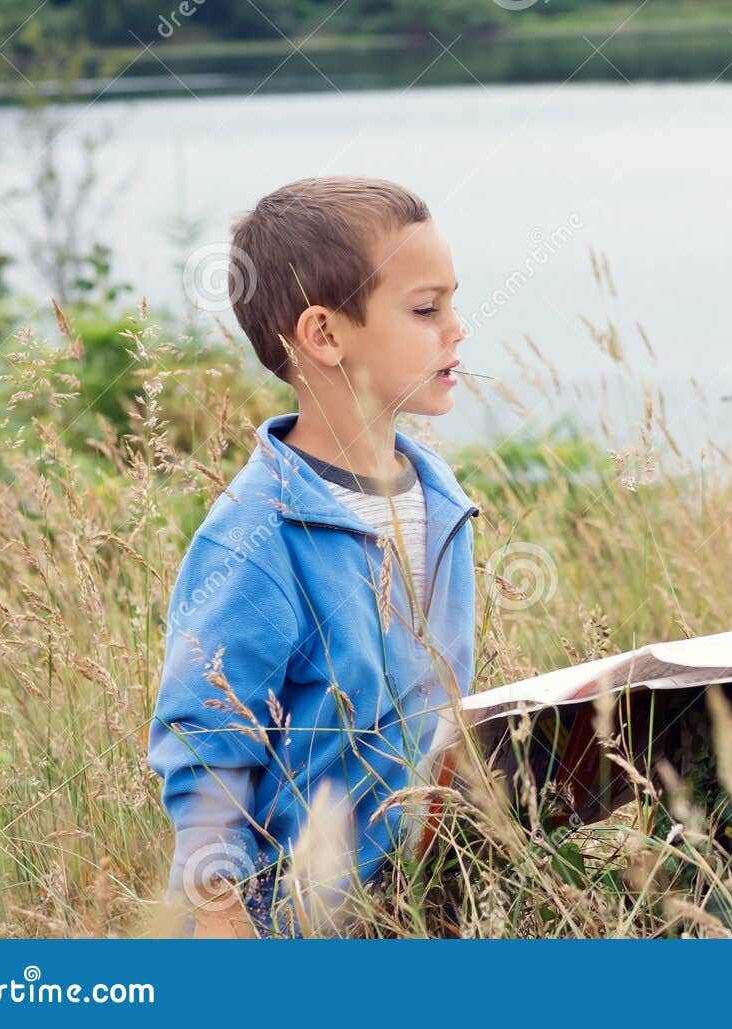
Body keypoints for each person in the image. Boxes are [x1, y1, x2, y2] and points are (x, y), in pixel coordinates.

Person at [146, 177, 476, 936]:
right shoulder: (254, 536)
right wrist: (223, 924)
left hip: (427, 906)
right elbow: (206, 754)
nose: (457, 328)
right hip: (300, 924)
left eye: (453, 302)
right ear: (325, 335)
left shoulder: (441, 497)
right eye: (427, 309)